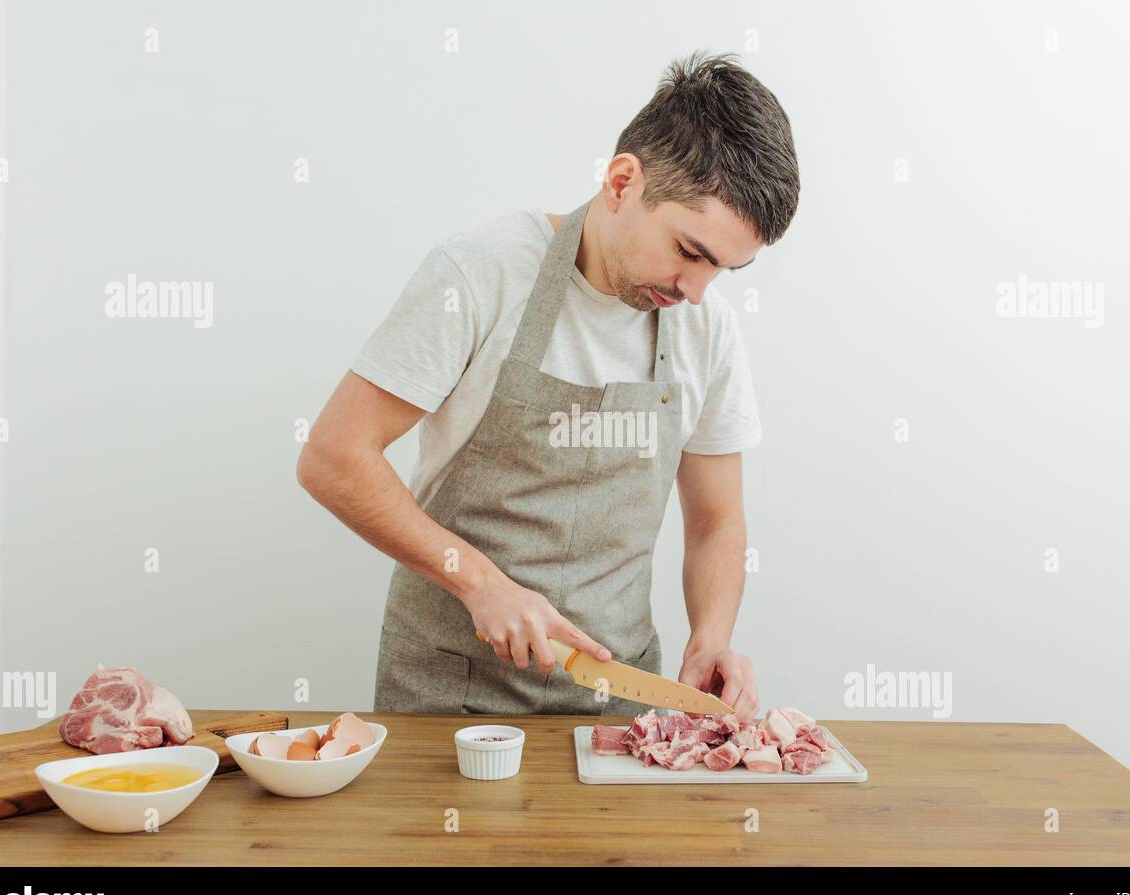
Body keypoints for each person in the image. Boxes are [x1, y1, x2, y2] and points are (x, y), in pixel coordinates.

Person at [298, 51, 799, 720]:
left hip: (618, 703)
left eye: (724, 271)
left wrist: (711, 637)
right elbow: (333, 457)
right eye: (688, 252)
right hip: (449, 696)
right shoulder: (484, 272)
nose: (695, 292)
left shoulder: (706, 329)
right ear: (622, 182)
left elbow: (716, 519)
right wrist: (481, 584)